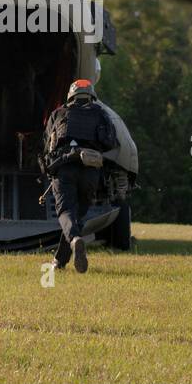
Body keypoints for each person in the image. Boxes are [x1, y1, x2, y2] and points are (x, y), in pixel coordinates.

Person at [41, 79, 118, 273]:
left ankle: (75, 241)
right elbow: (110, 142)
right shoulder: (101, 114)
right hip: (90, 171)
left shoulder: (58, 114)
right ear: (91, 95)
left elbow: (45, 146)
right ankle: (60, 261)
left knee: (66, 213)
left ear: (70, 95)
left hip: (65, 168)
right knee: (76, 218)